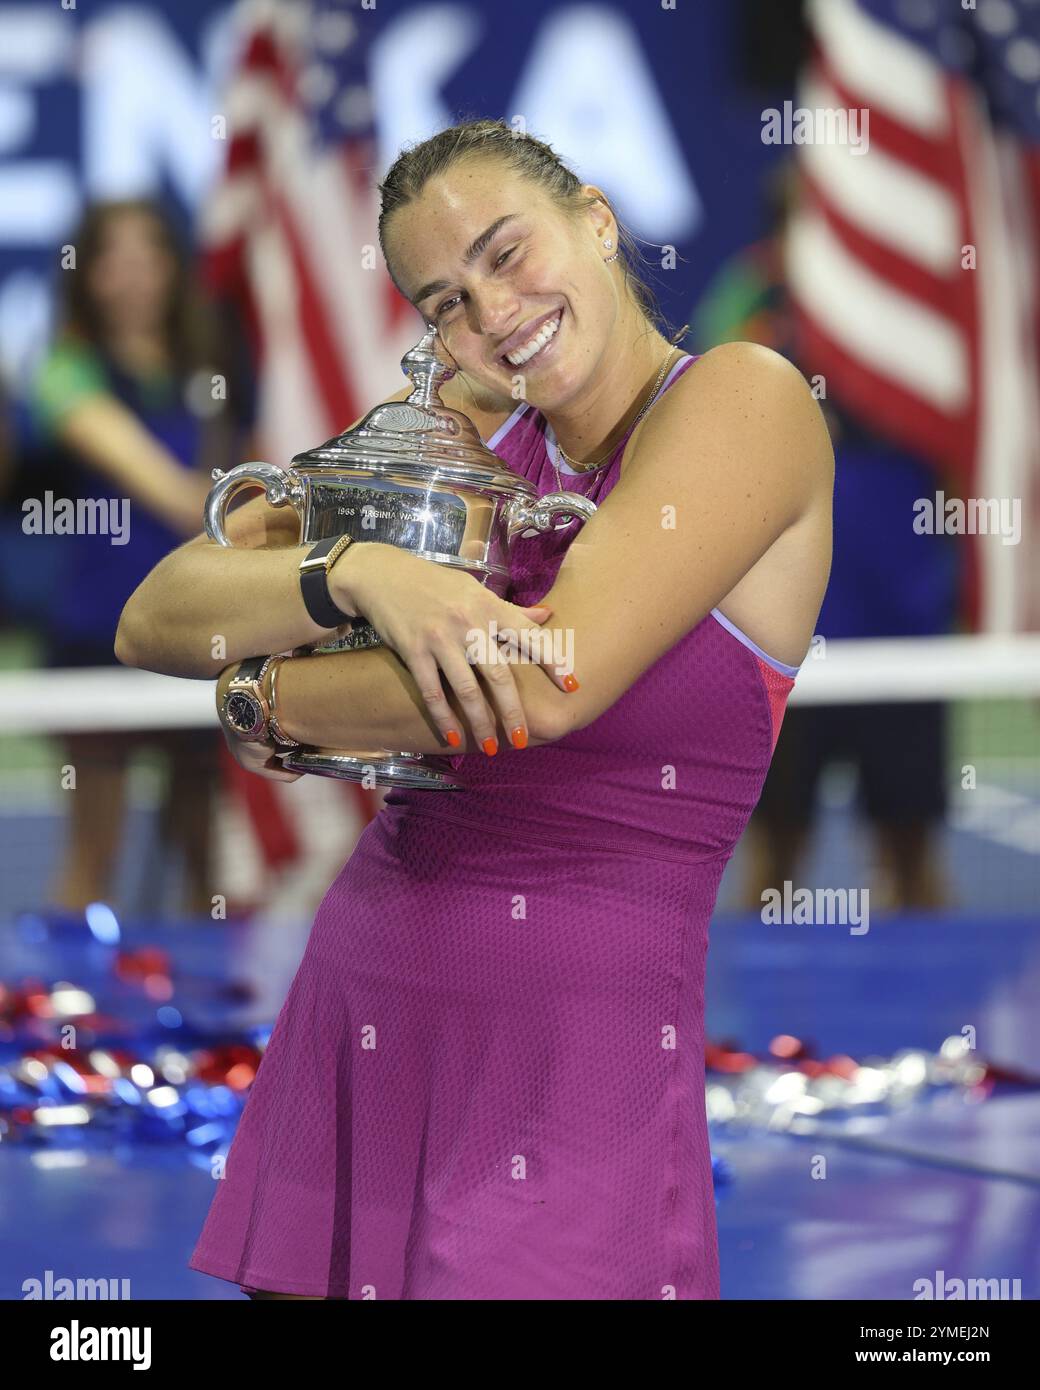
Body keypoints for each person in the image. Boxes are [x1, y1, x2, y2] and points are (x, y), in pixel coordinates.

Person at [116, 119, 833, 1299]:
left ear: (595, 219)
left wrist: (257, 700)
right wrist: (353, 575)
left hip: (576, 1058)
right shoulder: (460, 417)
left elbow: (541, 686)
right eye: (442, 300)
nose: (491, 316)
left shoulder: (741, 400)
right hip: (365, 995)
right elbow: (158, 612)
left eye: (507, 254)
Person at [27, 199, 238, 918]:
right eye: (112, 258)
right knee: (95, 849)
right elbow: (182, 498)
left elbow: (223, 482)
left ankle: (213, 1025)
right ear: (87, 273)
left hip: (201, 634)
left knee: (205, 853)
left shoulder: (208, 366)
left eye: (147, 256)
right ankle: (65, 1024)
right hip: (98, 636)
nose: (131, 277)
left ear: (172, 267)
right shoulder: (63, 368)